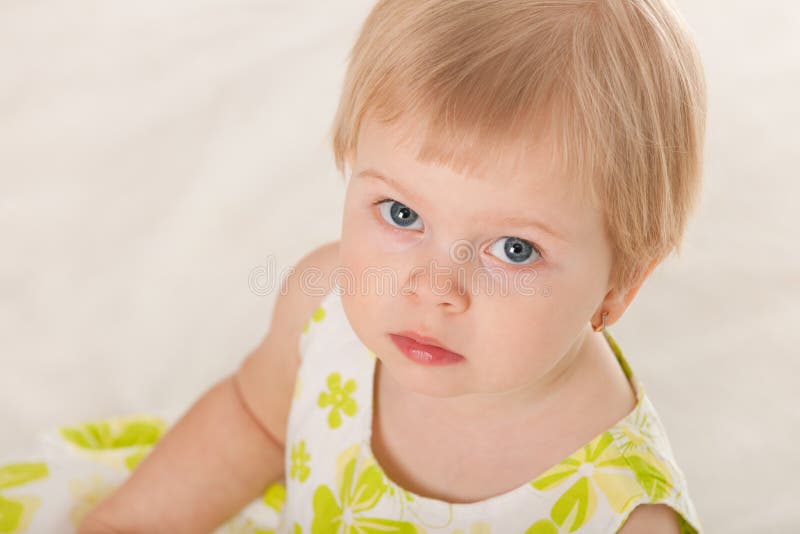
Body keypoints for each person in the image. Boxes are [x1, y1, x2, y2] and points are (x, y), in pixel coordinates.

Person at [1, 0, 707, 532]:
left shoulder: (619, 510)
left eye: (514, 249)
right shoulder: (327, 306)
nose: (432, 289)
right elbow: (255, 421)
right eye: (402, 215)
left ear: (619, 288)